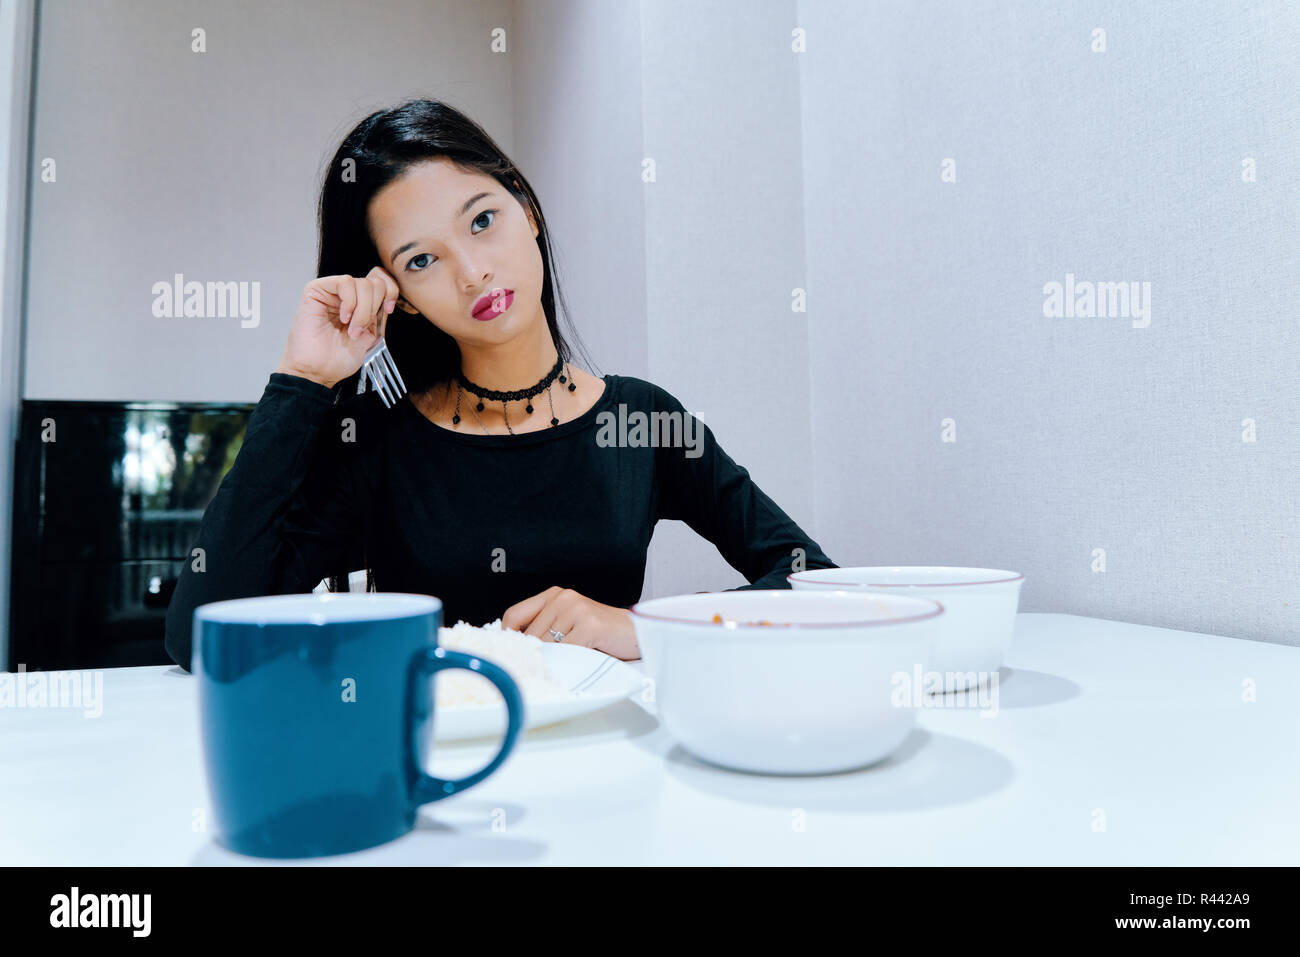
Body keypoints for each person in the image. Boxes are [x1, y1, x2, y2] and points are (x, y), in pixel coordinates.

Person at [163, 98, 837, 671]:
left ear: (528, 210)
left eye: (482, 220)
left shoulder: (642, 419)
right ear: (405, 298)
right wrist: (302, 379)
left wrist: (643, 630)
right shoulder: (381, 440)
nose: (472, 273)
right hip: (439, 775)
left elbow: (817, 582)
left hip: (612, 770)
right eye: (422, 259)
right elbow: (202, 637)